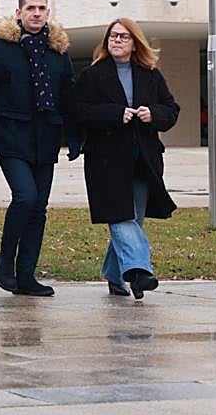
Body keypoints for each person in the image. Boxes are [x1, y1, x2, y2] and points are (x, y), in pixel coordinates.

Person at [0, 0, 78, 297]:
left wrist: (74, 137)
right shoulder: (0, 50)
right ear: (19, 13)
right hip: (12, 137)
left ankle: (26, 276)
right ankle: (5, 260)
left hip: (46, 138)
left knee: (39, 209)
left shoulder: (58, 52)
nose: (36, 13)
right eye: (30, 8)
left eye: (42, 8)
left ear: (48, 13)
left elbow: (69, 97)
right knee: (25, 197)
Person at [74, 18, 179, 300]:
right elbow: (79, 112)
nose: (116, 40)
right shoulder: (92, 76)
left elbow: (171, 110)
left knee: (134, 220)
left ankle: (114, 274)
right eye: (112, 36)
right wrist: (113, 113)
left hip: (143, 160)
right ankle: (140, 271)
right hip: (106, 161)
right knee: (120, 217)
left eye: (123, 36)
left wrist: (153, 114)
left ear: (135, 43)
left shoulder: (150, 75)